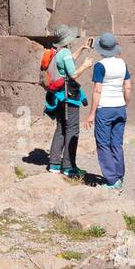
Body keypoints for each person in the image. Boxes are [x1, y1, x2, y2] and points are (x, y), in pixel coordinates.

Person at [46, 25, 95, 178]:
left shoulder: (57, 52)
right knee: (72, 129)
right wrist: (85, 66)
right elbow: (73, 74)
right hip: (69, 98)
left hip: (58, 96)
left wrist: (82, 48)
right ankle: (68, 167)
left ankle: (54, 163)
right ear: (67, 39)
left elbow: (67, 60)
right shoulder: (65, 52)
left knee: (61, 128)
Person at [89, 33, 132, 189]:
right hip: (120, 108)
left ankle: (112, 180)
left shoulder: (100, 66)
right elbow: (127, 87)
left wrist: (92, 113)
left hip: (104, 109)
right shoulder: (122, 64)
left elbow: (97, 91)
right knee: (117, 144)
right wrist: (125, 103)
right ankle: (119, 175)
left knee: (103, 144)